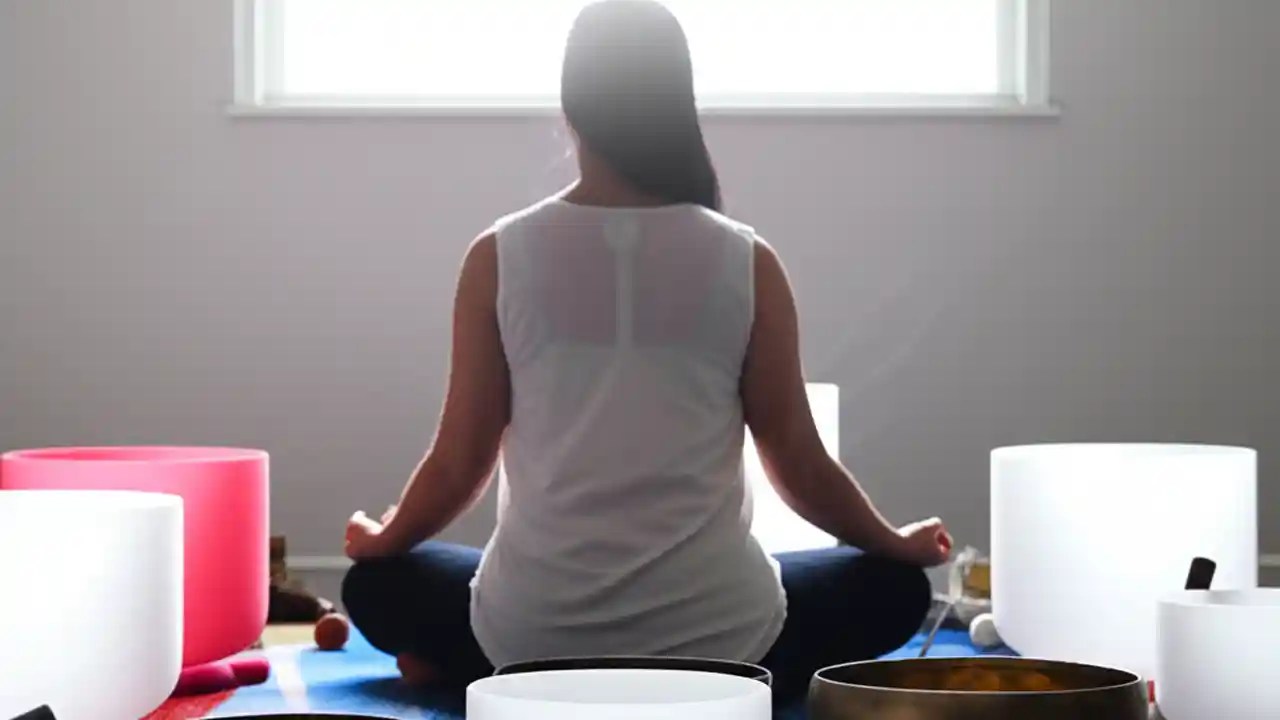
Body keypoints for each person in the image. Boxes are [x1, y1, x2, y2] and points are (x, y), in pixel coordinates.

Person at [340, 0, 951, 703]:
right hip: (727, 647)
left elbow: (459, 463)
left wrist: (385, 539)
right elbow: (799, 462)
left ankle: (469, 667)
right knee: (893, 588)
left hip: (529, 640)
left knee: (378, 585)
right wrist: (894, 541)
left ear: (571, 107)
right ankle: (707, 676)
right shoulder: (746, 261)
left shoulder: (499, 255)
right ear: (678, 105)